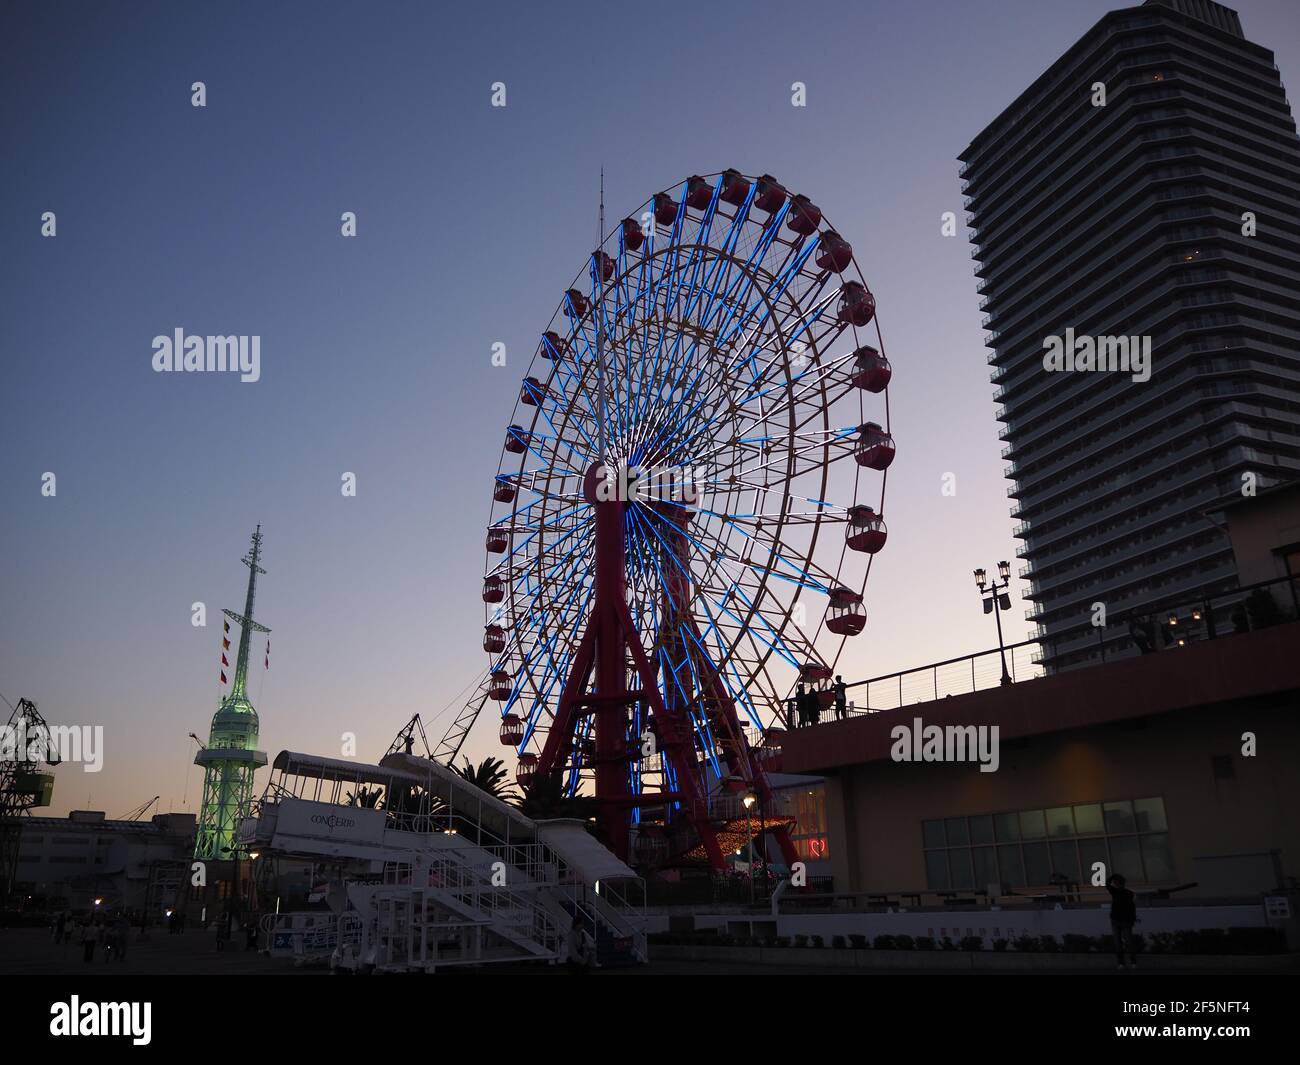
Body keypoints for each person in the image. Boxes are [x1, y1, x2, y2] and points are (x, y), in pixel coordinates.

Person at [1106, 873, 1138, 969]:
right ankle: (1127, 962)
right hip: (1119, 920)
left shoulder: (1123, 893)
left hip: (1121, 920)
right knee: (1122, 941)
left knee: (1124, 941)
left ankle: (1126, 962)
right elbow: (1132, 908)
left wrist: (1113, 876)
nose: (1116, 885)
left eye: (1116, 883)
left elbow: (1132, 908)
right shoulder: (1123, 892)